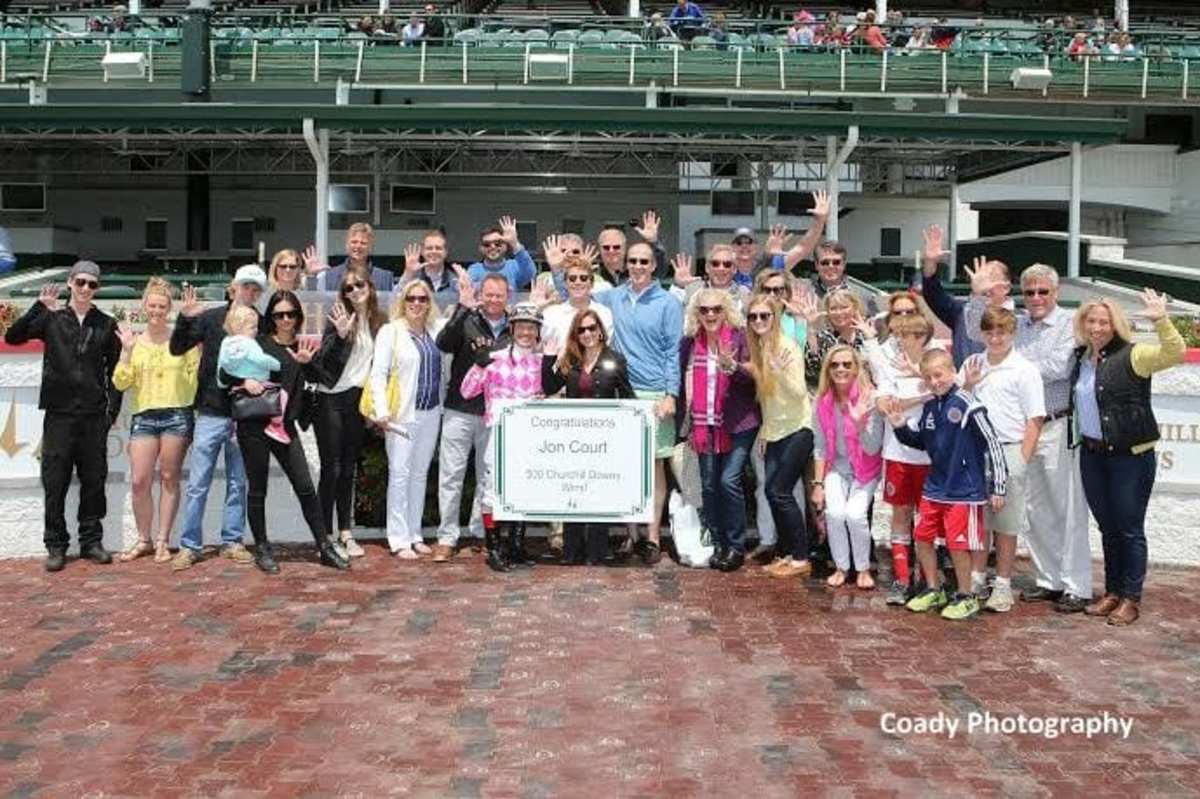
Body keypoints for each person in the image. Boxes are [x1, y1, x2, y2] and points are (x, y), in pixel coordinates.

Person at [962, 263, 1088, 612]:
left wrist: (1008, 360)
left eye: (1043, 291)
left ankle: (1075, 584)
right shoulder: (1017, 323)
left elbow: (1057, 367)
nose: (1035, 298)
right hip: (1013, 434)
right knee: (1030, 509)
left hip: (1052, 424)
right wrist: (979, 295)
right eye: (1029, 291)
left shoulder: (1068, 324)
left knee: (1064, 508)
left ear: (1056, 292)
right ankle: (1049, 580)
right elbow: (976, 328)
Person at [1070, 290, 1183, 626]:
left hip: (1130, 457)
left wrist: (1161, 319)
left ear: (1115, 325)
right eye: (1091, 321)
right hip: (1092, 454)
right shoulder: (1080, 358)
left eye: (1104, 322)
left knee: (1129, 529)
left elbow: (1174, 352)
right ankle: (1113, 592)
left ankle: (1131, 598)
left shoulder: (1134, 355)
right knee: (1107, 528)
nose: (1097, 327)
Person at [220, 290, 350, 573]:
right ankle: (263, 549)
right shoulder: (257, 343)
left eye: (291, 314)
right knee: (258, 490)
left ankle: (324, 547)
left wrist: (309, 361)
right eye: (279, 315)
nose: (285, 319)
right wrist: (245, 379)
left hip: (284, 426)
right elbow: (224, 372)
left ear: (298, 316)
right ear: (271, 317)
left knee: (305, 487)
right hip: (254, 423)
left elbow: (327, 378)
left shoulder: (305, 346)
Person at [4, 261, 121, 572]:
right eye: (80, 282)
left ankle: (91, 541)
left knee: (94, 480)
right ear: (70, 282)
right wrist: (38, 307)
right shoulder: (51, 318)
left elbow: (117, 372)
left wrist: (111, 411)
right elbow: (14, 337)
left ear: (97, 289)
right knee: (55, 482)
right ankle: (55, 545)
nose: (85, 289)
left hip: (93, 416)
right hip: (59, 414)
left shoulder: (106, 324)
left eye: (92, 284)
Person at [887, 349, 1008, 621]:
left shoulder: (968, 402)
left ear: (952, 372)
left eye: (939, 375)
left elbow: (992, 443)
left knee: (957, 544)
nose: (934, 381)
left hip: (964, 491)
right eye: (928, 377)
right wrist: (900, 426)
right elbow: (922, 442)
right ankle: (934, 589)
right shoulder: (931, 406)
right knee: (922, 537)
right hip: (935, 488)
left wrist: (999, 486)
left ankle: (966, 595)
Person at [592, 242, 684, 565]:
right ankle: (632, 535)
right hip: (621, 394)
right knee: (626, 466)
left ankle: (653, 536)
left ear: (654, 265)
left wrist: (670, 394)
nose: (637, 266)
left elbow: (673, 352)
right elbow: (576, 292)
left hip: (655, 394)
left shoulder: (669, 303)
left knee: (655, 467)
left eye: (644, 261)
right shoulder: (613, 296)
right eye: (632, 261)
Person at [168, 265, 265, 571]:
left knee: (238, 483)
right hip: (210, 412)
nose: (250, 292)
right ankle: (190, 546)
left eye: (255, 289)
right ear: (233, 287)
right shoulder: (210, 318)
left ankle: (232, 540)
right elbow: (176, 348)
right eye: (246, 286)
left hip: (245, 414)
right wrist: (185, 318)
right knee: (198, 484)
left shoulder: (261, 323)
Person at [959, 308, 1045, 612]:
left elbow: (1035, 419)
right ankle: (977, 577)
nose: (995, 339)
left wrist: (1021, 460)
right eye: (990, 333)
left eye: (1002, 333)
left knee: (1006, 524)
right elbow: (958, 404)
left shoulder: (1024, 369)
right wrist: (968, 384)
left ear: (1012, 334)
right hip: (975, 451)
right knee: (979, 520)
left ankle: (1003, 584)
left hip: (1009, 450)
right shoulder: (972, 363)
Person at [113, 278, 200, 563]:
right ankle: (144, 539)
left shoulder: (182, 342)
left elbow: (195, 379)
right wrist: (126, 352)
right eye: (152, 305)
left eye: (162, 306)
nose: (156, 311)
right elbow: (120, 382)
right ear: (144, 307)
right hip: (144, 417)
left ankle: (163, 540)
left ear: (169, 309)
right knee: (140, 480)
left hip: (177, 414)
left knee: (169, 477)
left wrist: (196, 346)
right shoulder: (134, 342)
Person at [542, 309, 635, 564]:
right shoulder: (570, 360)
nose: (587, 334)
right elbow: (549, 387)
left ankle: (596, 551)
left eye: (591, 328)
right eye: (581, 329)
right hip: (574, 439)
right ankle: (572, 551)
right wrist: (548, 356)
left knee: (599, 492)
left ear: (600, 331)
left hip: (604, 439)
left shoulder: (615, 360)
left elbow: (628, 396)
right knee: (574, 491)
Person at [460, 302, 547, 572]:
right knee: (491, 492)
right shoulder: (494, 359)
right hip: (497, 436)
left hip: (529, 437)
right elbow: (466, 392)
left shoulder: (542, 363)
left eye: (531, 328)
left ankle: (516, 545)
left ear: (538, 332)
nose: (526, 333)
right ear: (512, 329)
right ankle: (494, 546)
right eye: (521, 327)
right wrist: (478, 366)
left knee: (523, 489)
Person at [677, 289, 759, 572]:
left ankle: (736, 545)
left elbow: (756, 379)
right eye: (704, 310)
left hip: (738, 422)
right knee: (709, 485)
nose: (710, 314)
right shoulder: (690, 343)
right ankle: (718, 541)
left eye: (716, 309)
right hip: (704, 424)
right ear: (696, 313)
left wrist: (732, 367)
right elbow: (683, 382)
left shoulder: (740, 338)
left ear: (726, 311)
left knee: (728, 481)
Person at [435, 271, 510, 561]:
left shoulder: (513, 327)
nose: (493, 300)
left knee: (487, 478)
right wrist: (461, 308)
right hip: (459, 409)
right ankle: (447, 537)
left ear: (507, 297)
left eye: (499, 295)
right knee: (451, 476)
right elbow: (443, 343)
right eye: (488, 294)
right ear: (480, 295)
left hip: (494, 413)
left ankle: (480, 532)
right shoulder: (466, 319)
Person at [312, 267, 387, 559]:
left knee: (348, 468)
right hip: (330, 398)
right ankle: (324, 536)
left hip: (357, 399)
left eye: (359, 285)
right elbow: (323, 361)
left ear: (370, 286)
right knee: (331, 469)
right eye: (348, 288)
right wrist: (342, 335)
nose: (355, 291)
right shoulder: (338, 317)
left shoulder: (378, 321)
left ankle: (345, 532)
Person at [369, 280, 445, 559]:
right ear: (403, 301)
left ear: (429, 303)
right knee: (400, 475)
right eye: (411, 298)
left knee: (420, 475)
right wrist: (381, 410)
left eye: (422, 299)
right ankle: (398, 538)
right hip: (401, 414)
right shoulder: (391, 331)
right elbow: (378, 374)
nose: (416, 303)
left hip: (431, 412)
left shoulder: (435, 330)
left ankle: (415, 533)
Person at [867, 312, 938, 605]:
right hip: (897, 454)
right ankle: (902, 579)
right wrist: (922, 397)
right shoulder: (891, 367)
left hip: (929, 457)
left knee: (927, 520)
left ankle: (926, 578)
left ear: (921, 338)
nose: (900, 341)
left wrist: (922, 382)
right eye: (898, 336)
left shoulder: (933, 367)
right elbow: (887, 405)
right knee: (900, 516)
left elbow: (946, 389)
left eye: (905, 336)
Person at [744, 293, 814, 579]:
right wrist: (766, 430)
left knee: (779, 491)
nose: (759, 321)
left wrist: (779, 371)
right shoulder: (760, 347)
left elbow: (799, 393)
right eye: (753, 316)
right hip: (775, 430)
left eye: (764, 315)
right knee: (773, 494)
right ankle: (788, 553)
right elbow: (768, 399)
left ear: (775, 318)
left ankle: (801, 557)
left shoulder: (786, 347)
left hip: (798, 428)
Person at [812, 345, 884, 589]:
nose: (840, 369)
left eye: (846, 364)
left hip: (866, 468)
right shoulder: (822, 402)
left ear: (856, 368)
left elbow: (873, 448)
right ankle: (841, 566)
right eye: (834, 365)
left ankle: (863, 568)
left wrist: (860, 423)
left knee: (854, 515)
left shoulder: (869, 398)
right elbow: (820, 446)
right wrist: (818, 484)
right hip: (837, 467)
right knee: (834, 514)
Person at [916, 224, 1010, 368]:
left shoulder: (1021, 319)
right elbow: (933, 294)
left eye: (991, 279)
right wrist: (930, 262)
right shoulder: (962, 312)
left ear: (1007, 287)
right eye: (980, 279)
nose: (985, 286)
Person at [218, 306, 291, 445]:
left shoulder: (225, 343)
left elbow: (221, 369)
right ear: (239, 328)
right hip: (259, 380)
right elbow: (261, 359)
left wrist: (232, 381)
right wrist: (277, 364)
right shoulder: (249, 343)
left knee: (241, 408)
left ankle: (234, 429)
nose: (256, 330)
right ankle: (276, 425)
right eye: (252, 327)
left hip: (236, 387)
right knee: (283, 395)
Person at [800, 288, 872, 388]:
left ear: (855, 308)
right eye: (833, 308)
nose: (839, 313)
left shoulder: (866, 335)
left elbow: (880, 370)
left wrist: (870, 337)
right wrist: (810, 326)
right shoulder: (822, 338)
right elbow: (812, 370)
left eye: (844, 307)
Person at [540, 256, 614, 351]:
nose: (578, 282)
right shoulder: (550, 314)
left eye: (583, 278)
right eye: (572, 278)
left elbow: (605, 346)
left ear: (591, 284)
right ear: (565, 283)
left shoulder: (604, 313)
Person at [304, 223, 395, 293]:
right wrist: (311, 276)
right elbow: (315, 301)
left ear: (370, 247)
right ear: (346, 245)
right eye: (354, 242)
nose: (358, 246)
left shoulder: (385, 279)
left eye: (363, 243)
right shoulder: (330, 277)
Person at [670, 245, 751, 315]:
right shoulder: (692, 290)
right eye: (715, 264)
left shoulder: (744, 294)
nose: (721, 268)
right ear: (707, 268)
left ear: (735, 269)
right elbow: (671, 312)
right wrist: (679, 286)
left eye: (727, 264)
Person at [808, 241, 880, 319]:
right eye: (825, 262)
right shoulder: (805, 293)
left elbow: (876, 324)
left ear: (844, 265)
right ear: (816, 265)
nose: (831, 266)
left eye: (836, 262)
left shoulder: (863, 295)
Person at [467, 216, 536, 294]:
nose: (493, 247)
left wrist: (514, 243)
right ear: (480, 248)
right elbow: (464, 288)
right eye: (487, 244)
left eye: (497, 243)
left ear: (506, 246)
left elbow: (530, 273)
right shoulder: (475, 270)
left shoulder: (513, 266)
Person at [400, 230, 460, 310]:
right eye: (429, 248)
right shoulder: (412, 278)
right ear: (422, 252)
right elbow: (393, 302)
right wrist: (408, 273)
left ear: (446, 252)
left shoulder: (455, 280)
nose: (434, 251)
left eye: (438, 248)